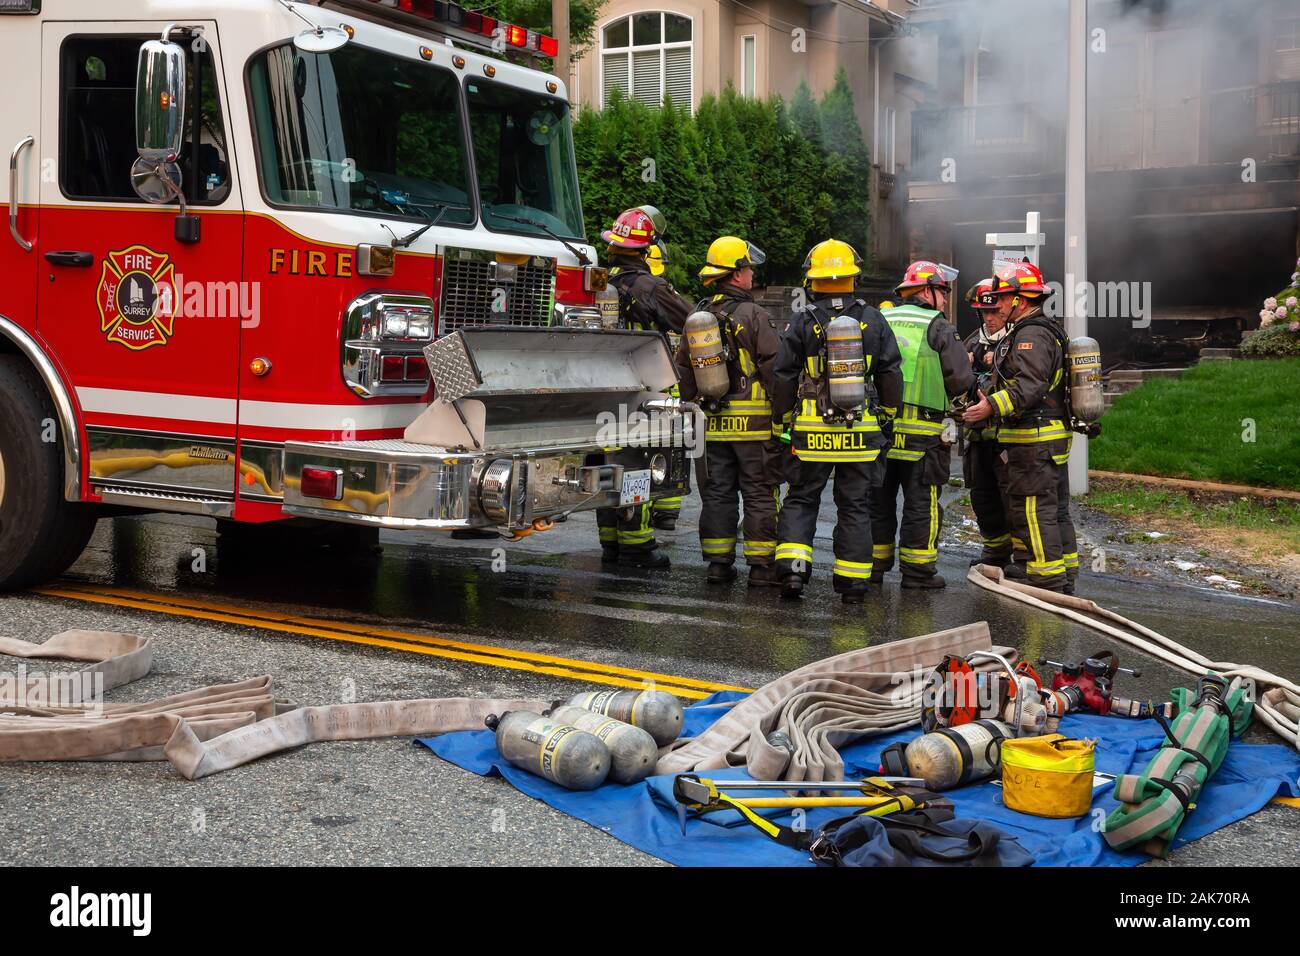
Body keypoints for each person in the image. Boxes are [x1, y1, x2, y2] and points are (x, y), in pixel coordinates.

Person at [771, 239, 903, 605]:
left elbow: (783, 375)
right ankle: (853, 583)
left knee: (801, 498)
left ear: (812, 280)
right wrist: (888, 416)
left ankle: (794, 574)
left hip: (811, 433)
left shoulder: (802, 320)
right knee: (856, 504)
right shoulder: (874, 319)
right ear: (853, 277)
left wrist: (780, 419)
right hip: (860, 432)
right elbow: (891, 373)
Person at [961, 260, 1078, 593]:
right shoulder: (1043, 330)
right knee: (1054, 509)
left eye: (1004, 297)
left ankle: (1044, 577)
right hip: (1046, 438)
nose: (997, 304)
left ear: (1021, 299)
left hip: (1034, 439)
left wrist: (990, 406)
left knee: (1032, 507)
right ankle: (1064, 574)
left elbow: (1029, 385)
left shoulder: (1031, 335)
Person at [675, 236, 782, 586]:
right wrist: (781, 412)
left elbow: (685, 370)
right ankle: (762, 568)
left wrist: (695, 403)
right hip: (753, 427)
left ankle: (719, 565)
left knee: (717, 494)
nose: (751, 273)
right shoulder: (755, 315)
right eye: (747, 267)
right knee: (758, 491)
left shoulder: (697, 316)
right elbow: (773, 367)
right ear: (736, 274)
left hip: (712, 425)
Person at [595, 207, 691, 568]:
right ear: (646, 247)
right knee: (637, 465)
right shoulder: (650, 285)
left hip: (601, 389)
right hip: (638, 388)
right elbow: (689, 320)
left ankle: (611, 545)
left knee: (608, 464)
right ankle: (638, 547)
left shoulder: (602, 280)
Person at [870, 261, 975, 589]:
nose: (944, 300)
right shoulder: (939, 326)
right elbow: (960, 380)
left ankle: (873, 567)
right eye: (943, 292)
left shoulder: (881, 319)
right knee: (922, 502)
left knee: (878, 500)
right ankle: (917, 572)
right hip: (924, 436)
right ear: (928, 291)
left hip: (881, 433)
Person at [961, 277, 1014, 569]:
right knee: (983, 496)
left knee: (1011, 497)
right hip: (978, 437)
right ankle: (995, 552)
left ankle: (1022, 558)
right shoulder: (972, 341)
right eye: (985, 312)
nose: (990, 318)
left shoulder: (1019, 338)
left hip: (1008, 438)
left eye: (995, 312)